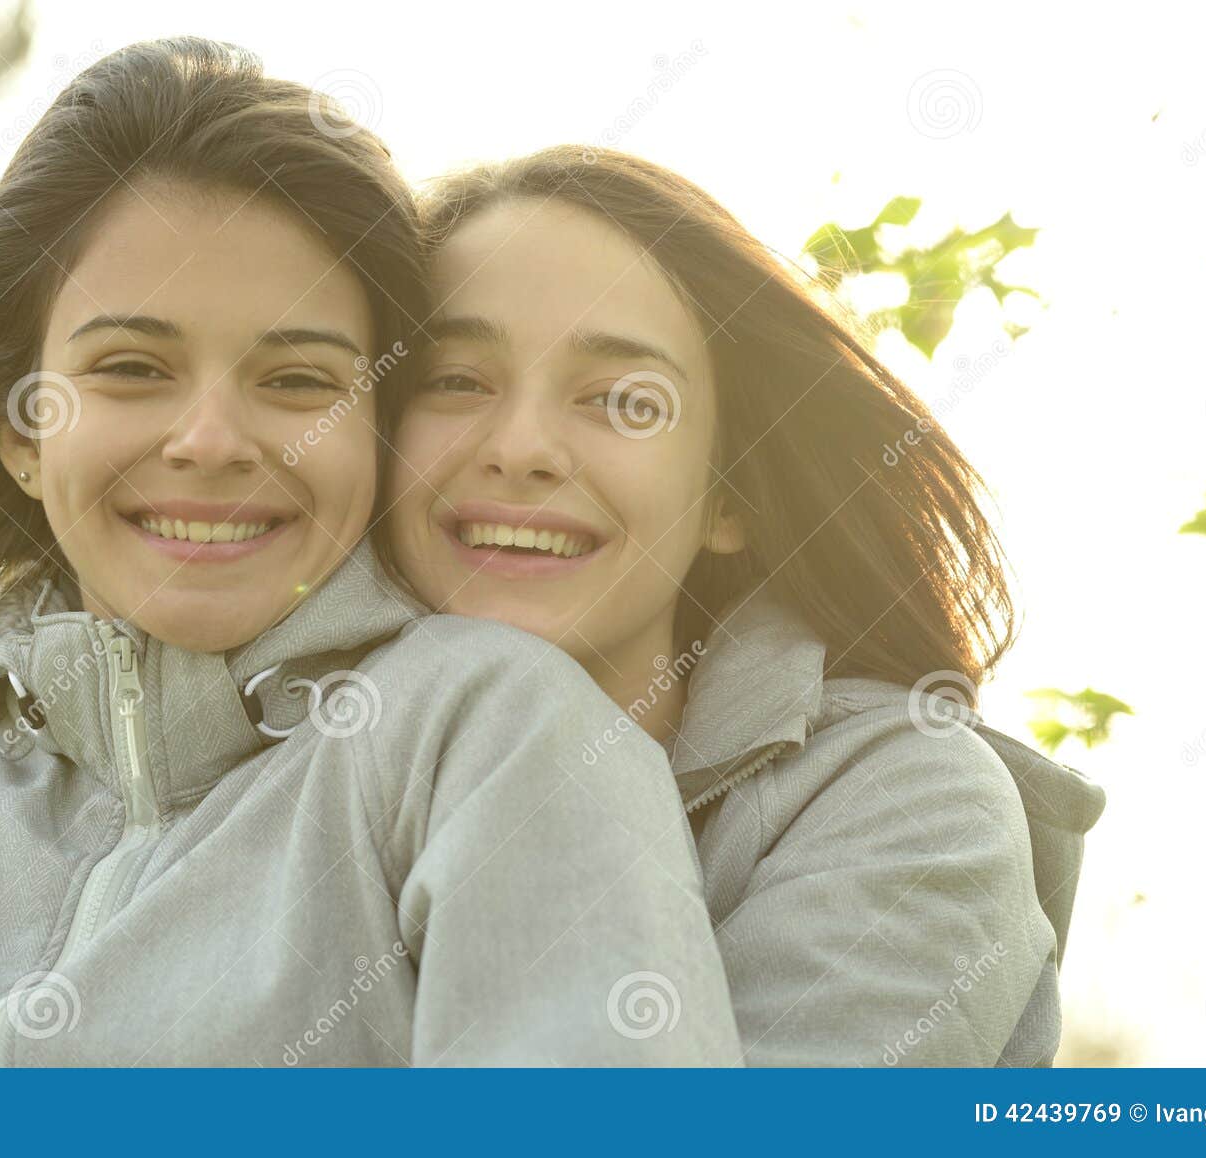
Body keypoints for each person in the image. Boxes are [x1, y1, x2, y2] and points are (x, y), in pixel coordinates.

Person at [0, 46, 741, 1068]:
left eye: (296, 381)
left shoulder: (494, 735)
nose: (210, 440)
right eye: (133, 367)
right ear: (21, 432)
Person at [380, 145, 1107, 1065]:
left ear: (731, 499)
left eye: (622, 399)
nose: (520, 446)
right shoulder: (260, 763)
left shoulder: (910, 804)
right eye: (455, 380)